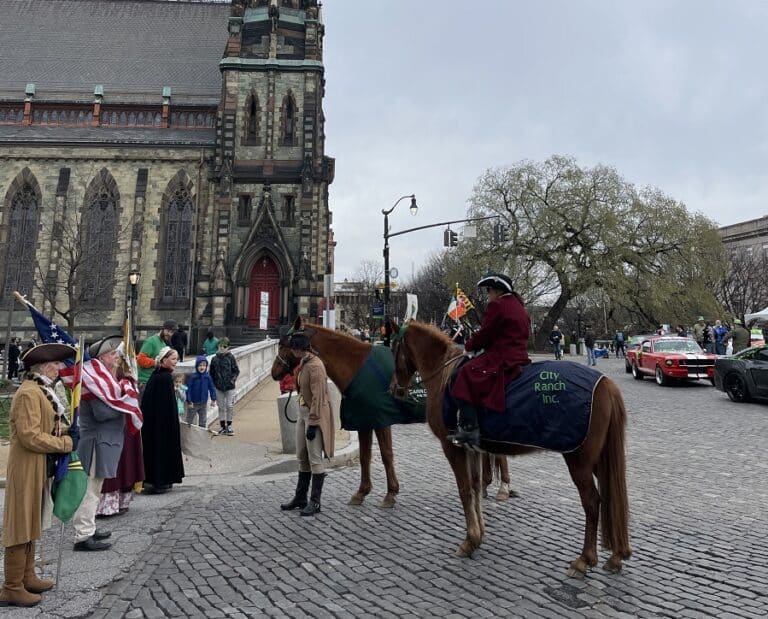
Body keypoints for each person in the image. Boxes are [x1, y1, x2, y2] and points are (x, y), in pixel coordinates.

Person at [1, 343, 77, 607]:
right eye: (55, 364)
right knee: (20, 523)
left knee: (32, 519)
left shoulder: (40, 390)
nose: (59, 368)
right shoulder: (28, 393)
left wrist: (66, 430)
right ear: (43, 366)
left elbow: (45, 425)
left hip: (38, 464)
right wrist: (65, 444)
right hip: (26, 466)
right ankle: (12, 586)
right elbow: (29, 435)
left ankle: (27, 576)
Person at [72, 335, 140, 552]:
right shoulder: (94, 383)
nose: (117, 356)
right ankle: (83, 535)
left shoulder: (104, 381)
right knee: (89, 491)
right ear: (101, 358)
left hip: (102, 444)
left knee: (96, 489)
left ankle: (89, 528)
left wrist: (124, 397)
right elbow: (102, 414)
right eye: (112, 353)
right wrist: (126, 405)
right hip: (95, 444)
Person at [449, 273, 531, 449]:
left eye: (489, 290)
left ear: (498, 291)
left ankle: (469, 428)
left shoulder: (498, 305)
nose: (488, 295)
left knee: (462, 374)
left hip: (502, 356)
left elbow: (486, 333)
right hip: (520, 356)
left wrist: (469, 346)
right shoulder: (519, 305)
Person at [279, 331, 334, 516]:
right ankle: (300, 497)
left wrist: (314, 423)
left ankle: (315, 502)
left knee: (314, 458)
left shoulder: (315, 366)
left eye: (294, 349)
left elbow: (318, 397)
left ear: (301, 348)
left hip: (313, 416)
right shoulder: (304, 362)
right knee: (302, 456)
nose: (293, 352)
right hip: (302, 414)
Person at [141, 347, 184, 494]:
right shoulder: (164, 378)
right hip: (162, 424)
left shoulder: (157, 375)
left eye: (176, 359)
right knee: (161, 450)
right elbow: (166, 406)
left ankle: (158, 480)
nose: (175, 362)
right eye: (173, 359)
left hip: (155, 423)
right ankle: (161, 481)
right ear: (164, 360)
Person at [209, 337, 239, 436]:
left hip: (229, 386)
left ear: (228, 347)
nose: (222, 348)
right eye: (220, 346)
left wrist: (232, 380)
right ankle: (222, 426)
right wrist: (214, 383)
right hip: (218, 386)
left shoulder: (231, 357)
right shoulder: (214, 359)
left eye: (224, 346)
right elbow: (211, 373)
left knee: (229, 406)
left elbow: (236, 370)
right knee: (221, 406)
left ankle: (229, 425)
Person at [136, 319, 177, 387]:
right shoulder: (151, 341)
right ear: (162, 329)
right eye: (168, 331)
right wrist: (156, 363)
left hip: (154, 381)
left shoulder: (163, 344)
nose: (170, 334)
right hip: (145, 382)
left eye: (172, 332)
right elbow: (140, 359)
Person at [185, 355, 217, 427]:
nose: (202, 367)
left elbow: (212, 388)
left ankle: (201, 432)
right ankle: (187, 432)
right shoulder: (193, 377)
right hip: (193, 403)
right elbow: (188, 389)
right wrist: (189, 401)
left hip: (203, 403)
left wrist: (213, 399)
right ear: (196, 366)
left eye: (204, 365)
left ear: (206, 366)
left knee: (203, 421)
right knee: (189, 421)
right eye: (200, 365)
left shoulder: (207, 377)